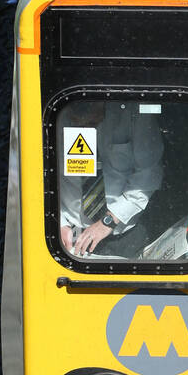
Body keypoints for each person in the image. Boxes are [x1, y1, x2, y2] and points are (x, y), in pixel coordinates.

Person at [59, 100, 164, 257]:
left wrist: (107, 222)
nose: (85, 127)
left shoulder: (134, 112)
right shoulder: (54, 115)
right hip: (69, 233)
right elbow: (40, 176)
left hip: (122, 233)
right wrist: (59, 223)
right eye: (77, 123)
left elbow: (148, 174)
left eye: (92, 122)